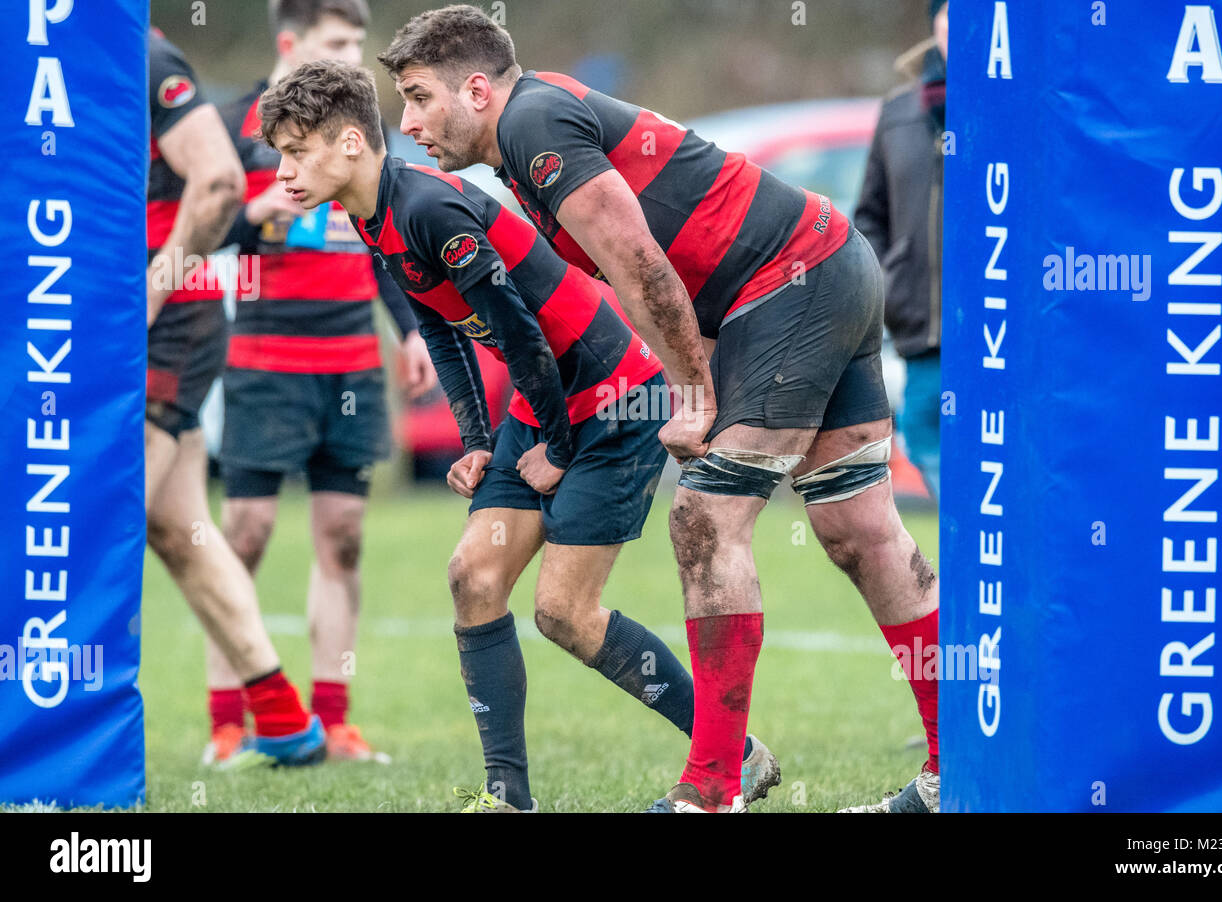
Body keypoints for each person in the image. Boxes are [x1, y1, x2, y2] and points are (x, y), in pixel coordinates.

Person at [378, 4, 940, 813]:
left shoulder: (533, 122)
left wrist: (693, 393)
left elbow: (639, 265)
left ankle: (714, 787)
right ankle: (957, 765)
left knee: (705, 518)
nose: (410, 122)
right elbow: (654, 266)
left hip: (792, 285)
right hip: (825, 265)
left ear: (475, 89)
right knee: (861, 532)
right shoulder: (528, 133)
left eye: (419, 96)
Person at [255, 59, 781, 810]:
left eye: (296, 150)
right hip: (548, 407)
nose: (284, 171)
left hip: (611, 403)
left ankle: (735, 758)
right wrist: (476, 439)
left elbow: (524, 339)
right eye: (279, 153)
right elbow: (443, 332)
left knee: (563, 613)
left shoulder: (431, 209)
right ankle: (507, 797)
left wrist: (559, 454)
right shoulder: (369, 214)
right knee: (473, 578)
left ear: (347, 143)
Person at [199, 0, 436, 768]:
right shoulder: (230, 128)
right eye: (337, 42)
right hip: (264, 362)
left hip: (349, 361)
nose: (351, 56)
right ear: (291, 40)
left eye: (358, 43)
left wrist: (407, 331)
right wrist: (250, 209)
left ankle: (335, 721)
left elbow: (382, 237)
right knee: (245, 536)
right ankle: (229, 724)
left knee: (343, 536)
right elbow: (191, 225)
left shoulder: (356, 126)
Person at [145, 28, 325, 768]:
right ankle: (286, 723)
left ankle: (57, 724)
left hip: (165, 328)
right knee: (177, 530)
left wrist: (148, 293)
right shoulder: (54, 61)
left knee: (88, 517)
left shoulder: (145, 56)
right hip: (123, 328)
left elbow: (218, 182)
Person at [854, 0, 947, 503]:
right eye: (950, 12)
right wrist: (888, 282)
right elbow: (868, 215)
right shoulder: (898, 110)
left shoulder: (1015, 109)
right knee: (924, 436)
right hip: (920, 333)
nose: (958, 25)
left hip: (998, 336)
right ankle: (970, 557)